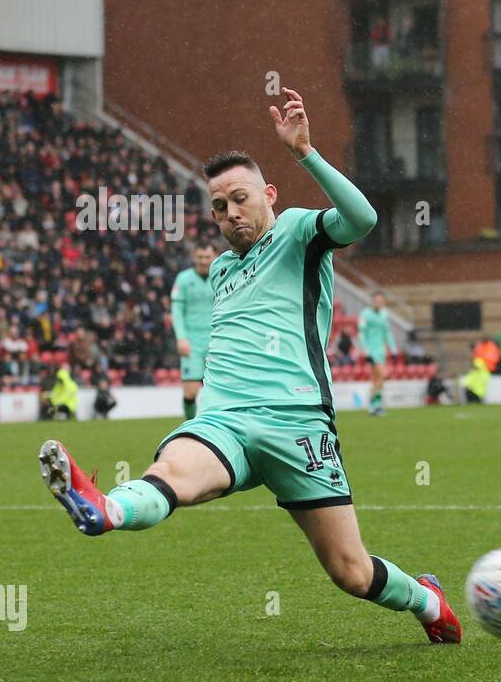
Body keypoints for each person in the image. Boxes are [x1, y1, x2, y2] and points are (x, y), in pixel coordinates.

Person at [38, 87, 461, 645]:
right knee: (172, 476)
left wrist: (305, 151)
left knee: (351, 573)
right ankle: (106, 509)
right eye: (218, 206)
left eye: (239, 199)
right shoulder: (218, 271)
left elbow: (362, 218)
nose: (230, 213)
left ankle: (427, 600)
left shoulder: (299, 233)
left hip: (297, 423)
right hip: (225, 421)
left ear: (269, 194)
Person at [171, 239, 217, 420]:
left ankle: (216, 431)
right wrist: (181, 338)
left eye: (207, 257)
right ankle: (190, 427)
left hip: (217, 342)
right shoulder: (183, 279)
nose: (204, 261)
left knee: (216, 395)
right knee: (190, 393)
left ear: (215, 257)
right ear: (194, 257)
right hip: (192, 343)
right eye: (200, 257)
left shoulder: (221, 275)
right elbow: (176, 311)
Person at [359, 291, 398, 416]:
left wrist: (393, 349)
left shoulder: (384, 314)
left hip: (381, 351)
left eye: (381, 301)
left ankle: (374, 406)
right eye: (376, 301)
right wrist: (366, 350)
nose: (379, 303)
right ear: (372, 301)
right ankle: (376, 404)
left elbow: (388, 333)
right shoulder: (365, 314)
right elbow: (362, 334)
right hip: (371, 351)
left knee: (377, 379)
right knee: (383, 374)